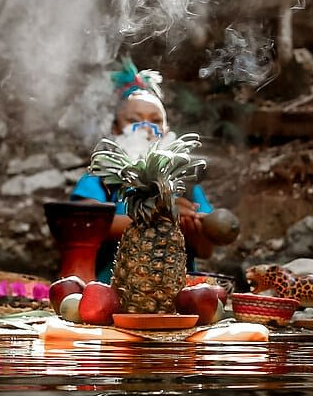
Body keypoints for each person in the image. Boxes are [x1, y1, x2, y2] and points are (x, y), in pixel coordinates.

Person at [69, 62, 214, 278]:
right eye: (135, 120)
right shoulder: (99, 180)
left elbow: (206, 249)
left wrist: (195, 227)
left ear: (167, 131)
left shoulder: (185, 188)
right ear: (115, 128)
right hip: (109, 296)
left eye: (156, 122)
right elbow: (85, 226)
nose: (147, 129)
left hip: (174, 299)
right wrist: (159, 214)